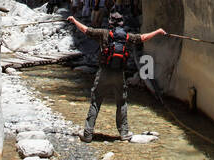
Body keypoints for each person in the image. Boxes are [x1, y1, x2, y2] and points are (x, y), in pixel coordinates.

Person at [67, 9, 166, 142]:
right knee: (121, 102)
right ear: (121, 23)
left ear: (110, 22)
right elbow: (143, 37)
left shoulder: (104, 33)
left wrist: (74, 21)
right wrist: (158, 31)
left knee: (96, 102)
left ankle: (88, 134)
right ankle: (124, 133)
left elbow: (86, 30)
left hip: (104, 72)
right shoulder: (127, 37)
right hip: (120, 74)